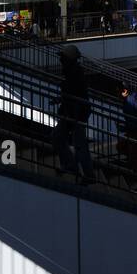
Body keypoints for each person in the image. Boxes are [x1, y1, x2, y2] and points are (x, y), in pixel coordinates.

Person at [54, 44, 94, 180]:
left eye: (63, 57)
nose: (60, 60)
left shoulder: (73, 72)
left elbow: (74, 91)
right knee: (59, 137)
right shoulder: (72, 71)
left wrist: (63, 95)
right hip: (72, 111)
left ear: (68, 58)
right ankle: (71, 166)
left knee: (79, 144)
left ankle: (87, 174)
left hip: (76, 113)